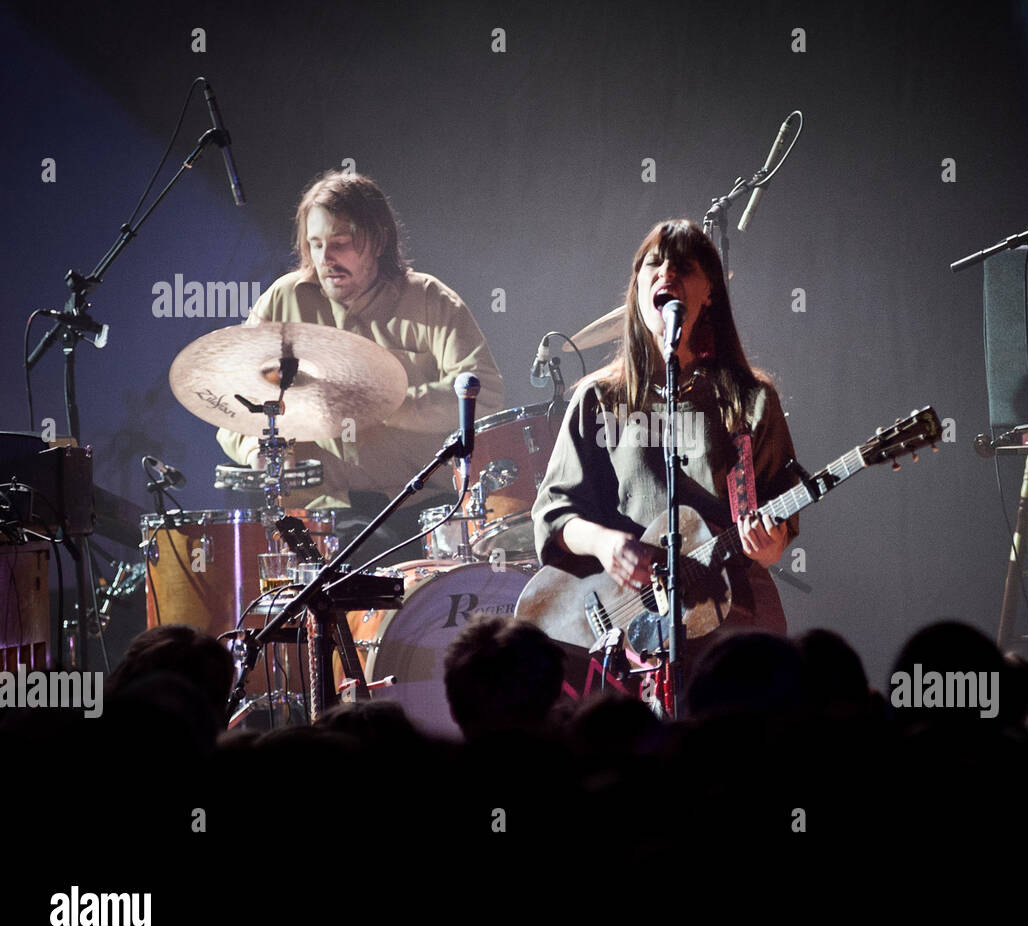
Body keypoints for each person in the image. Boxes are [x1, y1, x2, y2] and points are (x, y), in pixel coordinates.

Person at [531, 219, 799, 662]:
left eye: (685, 268)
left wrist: (772, 545)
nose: (666, 274)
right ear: (637, 288)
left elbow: (779, 511)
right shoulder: (598, 399)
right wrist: (604, 543)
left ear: (709, 293)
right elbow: (555, 514)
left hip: (732, 622)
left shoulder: (750, 401)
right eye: (654, 263)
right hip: (627, 630)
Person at [216, 171, 505, 536]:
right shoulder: (283, 300)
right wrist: (255, 449)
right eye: (316, 244)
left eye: (340, 242)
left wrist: (383, 403)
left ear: (379, 239)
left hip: (421, 505)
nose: (326, 258)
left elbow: (486, 396)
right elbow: (230, 399)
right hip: (321, 512)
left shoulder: (431, 300)